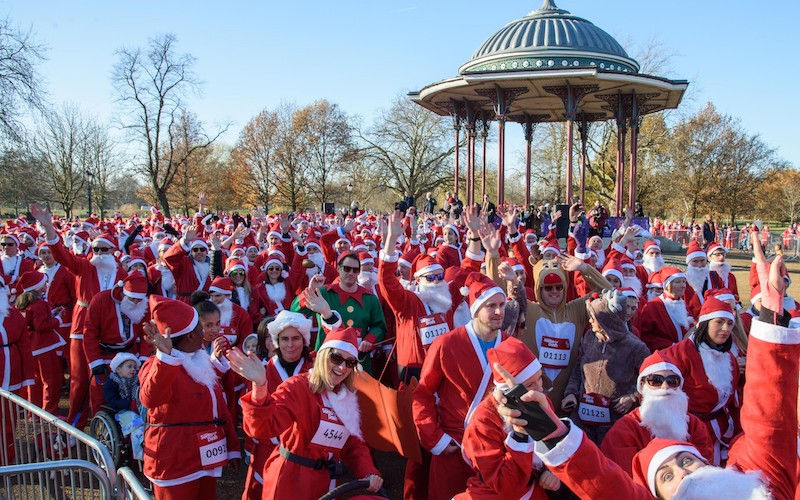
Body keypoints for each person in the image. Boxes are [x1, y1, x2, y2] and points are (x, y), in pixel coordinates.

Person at [494, 234, 799, 499]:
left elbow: (770, 420)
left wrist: (774, 317)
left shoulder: (754, 488)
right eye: (666, 476)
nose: (682, 474)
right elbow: (604, 479)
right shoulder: (551, 316)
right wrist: (552, 430)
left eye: (686, 460)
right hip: (573, 411)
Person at [232, 327, 383, 499]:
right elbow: (263, 427)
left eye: (350, 362)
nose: (342, 367)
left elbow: (353, 444)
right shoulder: (297, 387)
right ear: (322, 356)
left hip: (327, 482)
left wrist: (368, 471)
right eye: (336, 358)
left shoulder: (347, 398)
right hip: (290, 481)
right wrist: (259, 387)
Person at [412, 272, 508, 500]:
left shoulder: (511, 345)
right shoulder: (446, 343)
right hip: (453, 446)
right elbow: (423, 394)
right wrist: (435, 439)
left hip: (493, 450)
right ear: (475, 309)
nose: (499, 312)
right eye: (491, 306)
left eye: (502, 305)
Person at [30, 203, 127, 428]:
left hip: (109, 335)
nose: (100, 254)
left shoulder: (122, 273)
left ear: (114, 251)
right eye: (96, 249)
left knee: (107, 383)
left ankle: (107, 427)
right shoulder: (83, 267)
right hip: (82, 330)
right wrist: (48, 228)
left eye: (105, 249)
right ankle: (75, 427)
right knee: (78, 382)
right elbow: (61, 255)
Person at [139, 295, 240, 499]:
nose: (205, 332)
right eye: (200, 329)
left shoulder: (201, 359)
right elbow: (150, 398)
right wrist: (164, 358)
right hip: (175, 462)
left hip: (205, 458)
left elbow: (218, 407)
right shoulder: (155, 364)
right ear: (191, 337)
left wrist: (232, 446)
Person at [457, 336, 560, 499]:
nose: (540, 390)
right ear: (510, 392)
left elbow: (556, 444)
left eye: (540, 378)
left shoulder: (540, 401)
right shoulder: (483, 421)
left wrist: (553, 471)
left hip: (535, 490)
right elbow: (505, 485)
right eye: (530, 384)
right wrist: (520, 436)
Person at [600, 351, 714, 476]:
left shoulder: (695, 425)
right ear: (642, 385)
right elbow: (624, 479)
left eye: (672, 381)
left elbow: (705, 467)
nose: (665, 387)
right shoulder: (624, 430)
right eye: (656, 380)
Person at [241, 310, 314, 500]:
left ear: (304, 340)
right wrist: (250, 448)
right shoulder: (261, 371)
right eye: (284, 339)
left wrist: (326, 313)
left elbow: (337, 343)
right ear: (277, 342)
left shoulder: (315, 369)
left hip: (305, 451)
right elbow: (252, 416)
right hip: (268, 450)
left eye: (296, 338)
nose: (290, 345)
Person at [562, 289, 650, 445]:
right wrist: (571, 393)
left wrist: (632, 397)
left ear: (606, 320)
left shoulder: (636, 347)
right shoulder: (589, 337)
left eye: (593, 318)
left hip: (615, 422)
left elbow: (649, 381)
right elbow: (579, 367)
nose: (590, 322)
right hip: (582, 418)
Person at [660, 296, 741, 464]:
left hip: (720, 429)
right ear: (705, 323)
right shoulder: (679, 353)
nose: (725, 329)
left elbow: (732, 400)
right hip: (687, 430)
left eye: (729, 323)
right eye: (719, 322)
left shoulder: (730, 358)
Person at [292, 251, 387, 375]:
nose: (351, 273)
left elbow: (379, 326)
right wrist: (311, 291)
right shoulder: (325, 292)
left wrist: (370, 339)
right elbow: (294, 310)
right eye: (347, 269)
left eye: (355, 270)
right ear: (338, 269)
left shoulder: (370, 298)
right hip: (327, 359)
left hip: (357, 361)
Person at [83, 270, 149, 413]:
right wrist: (95, 361)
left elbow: (146, 333)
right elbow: (89, 333)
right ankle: (99, 430)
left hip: (131, 354)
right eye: (133, 299)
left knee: (133, 393)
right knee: (100, 394)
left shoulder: (143, 304)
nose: (137, 302)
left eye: (139, 299)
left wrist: (144, 358)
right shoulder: (100, 300)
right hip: (105, 354)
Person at [14, 270, 65, 414]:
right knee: (51, 381)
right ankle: (49, 412)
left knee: (35, 382)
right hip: (44, 346)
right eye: (43, 283)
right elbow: (42, 326)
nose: (46, 285)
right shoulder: (39, 303)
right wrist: (58, 319)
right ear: (38, 286)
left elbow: (33, 322)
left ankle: (34, 413)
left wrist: (52, 314)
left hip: (31, 347)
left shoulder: (22, 301)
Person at [639, 267, 692, 352]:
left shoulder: (682, 303)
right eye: (678, 282)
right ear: (667, 285)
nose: (683, 286)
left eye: (684, 281)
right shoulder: (653, 306)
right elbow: (646, 336)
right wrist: (671, 345)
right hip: (665, 355)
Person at [163, 225, 212, 303]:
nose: (199, 252)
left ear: (206, 251)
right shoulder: (184, 262)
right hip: (186, 304)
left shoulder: (212, 265)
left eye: (202, 249)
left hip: (206, 306)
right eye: (195, 250)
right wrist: (185, 240)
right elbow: (168, 257)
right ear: (191, 252)